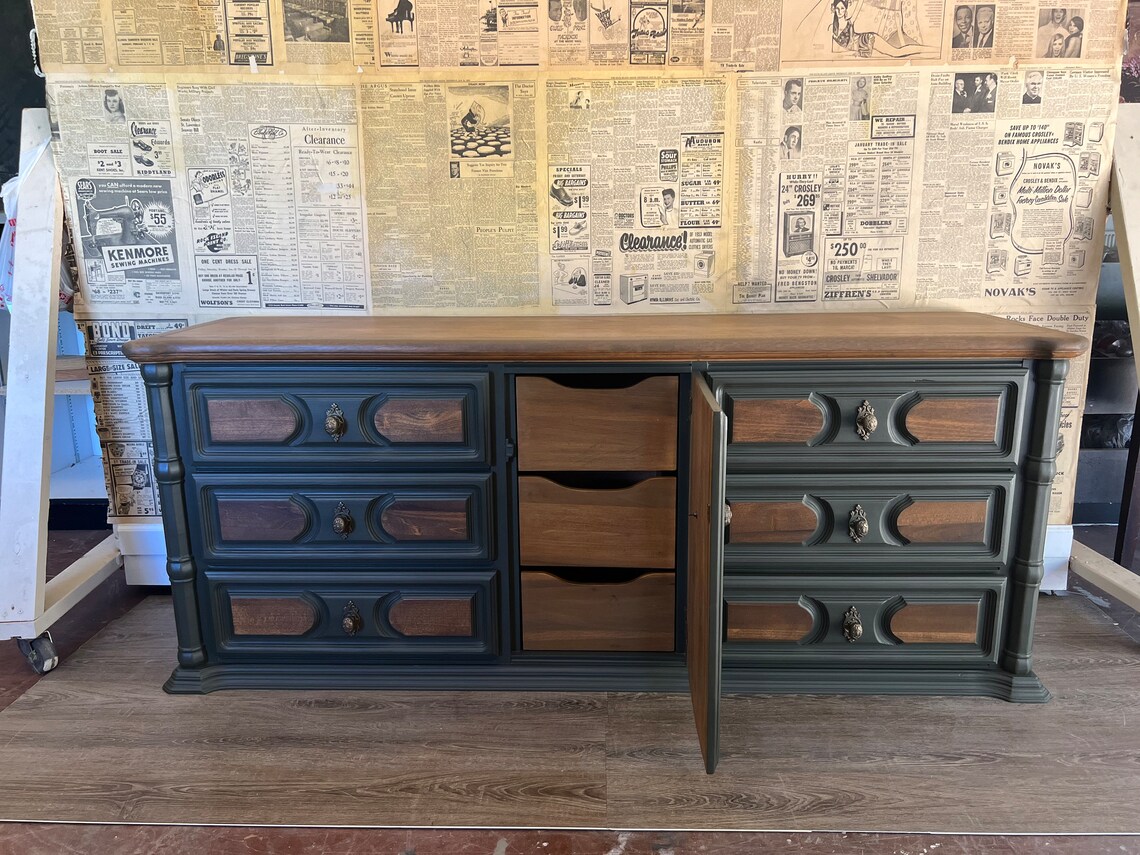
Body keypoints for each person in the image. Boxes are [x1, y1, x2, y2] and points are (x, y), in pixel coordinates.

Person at [829, 0, 937, 58]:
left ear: (846, 10)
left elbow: (858, 5)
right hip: (861, 47)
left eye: (842, 8)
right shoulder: (831, 28)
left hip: (868, 39)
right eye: (837, 8)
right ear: (833, 9)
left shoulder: (849, 20)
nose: (840, 11)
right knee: (895, 53)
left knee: (896, 52)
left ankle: (930, 49)